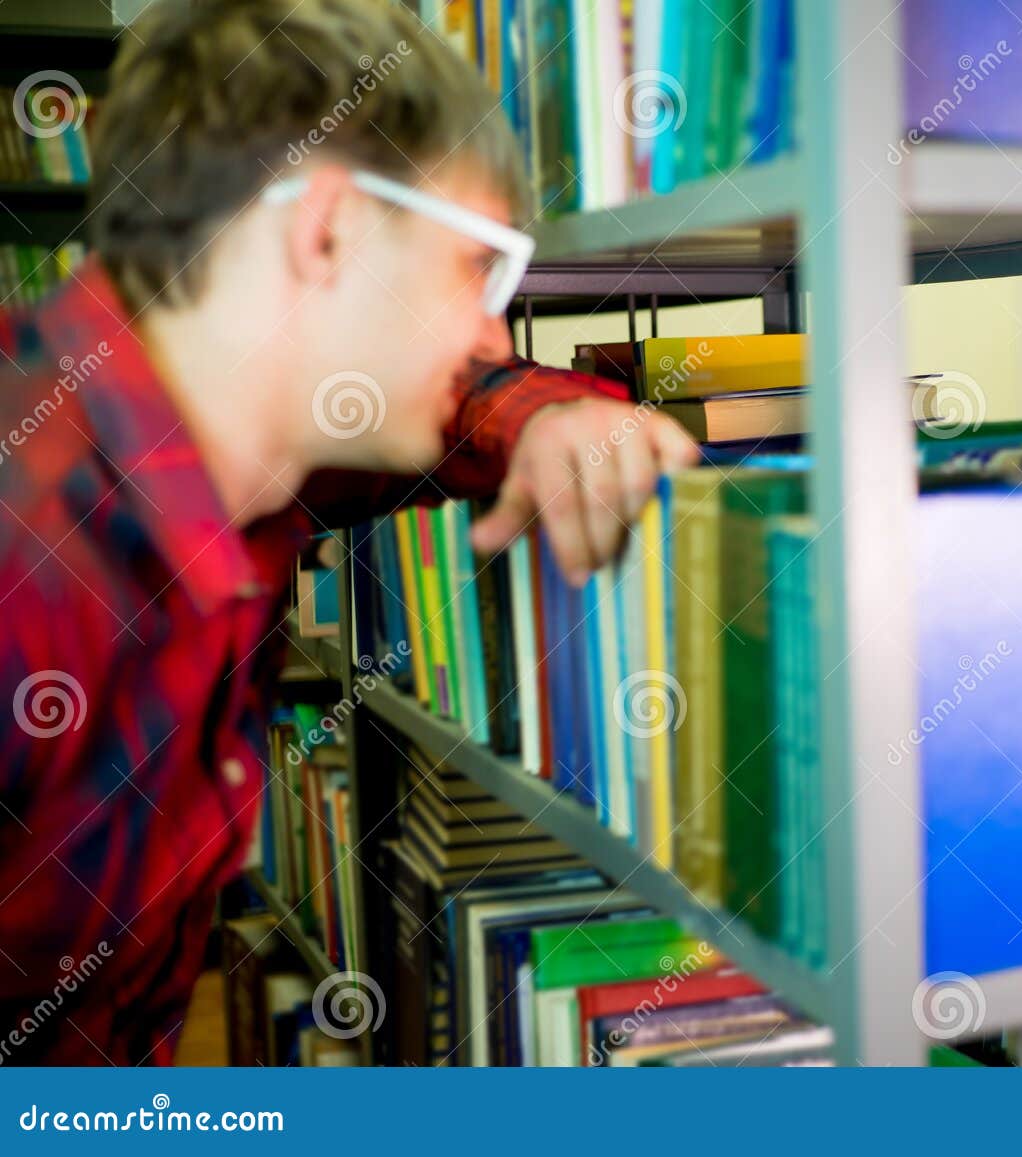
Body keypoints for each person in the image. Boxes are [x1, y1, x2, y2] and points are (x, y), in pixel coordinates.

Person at [0, 0, 698, 1064]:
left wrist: (556, 416)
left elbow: (470, 396)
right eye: (476, 269)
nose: (488, 328)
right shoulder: (27, 544)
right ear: (325, 230)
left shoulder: (270, 455)